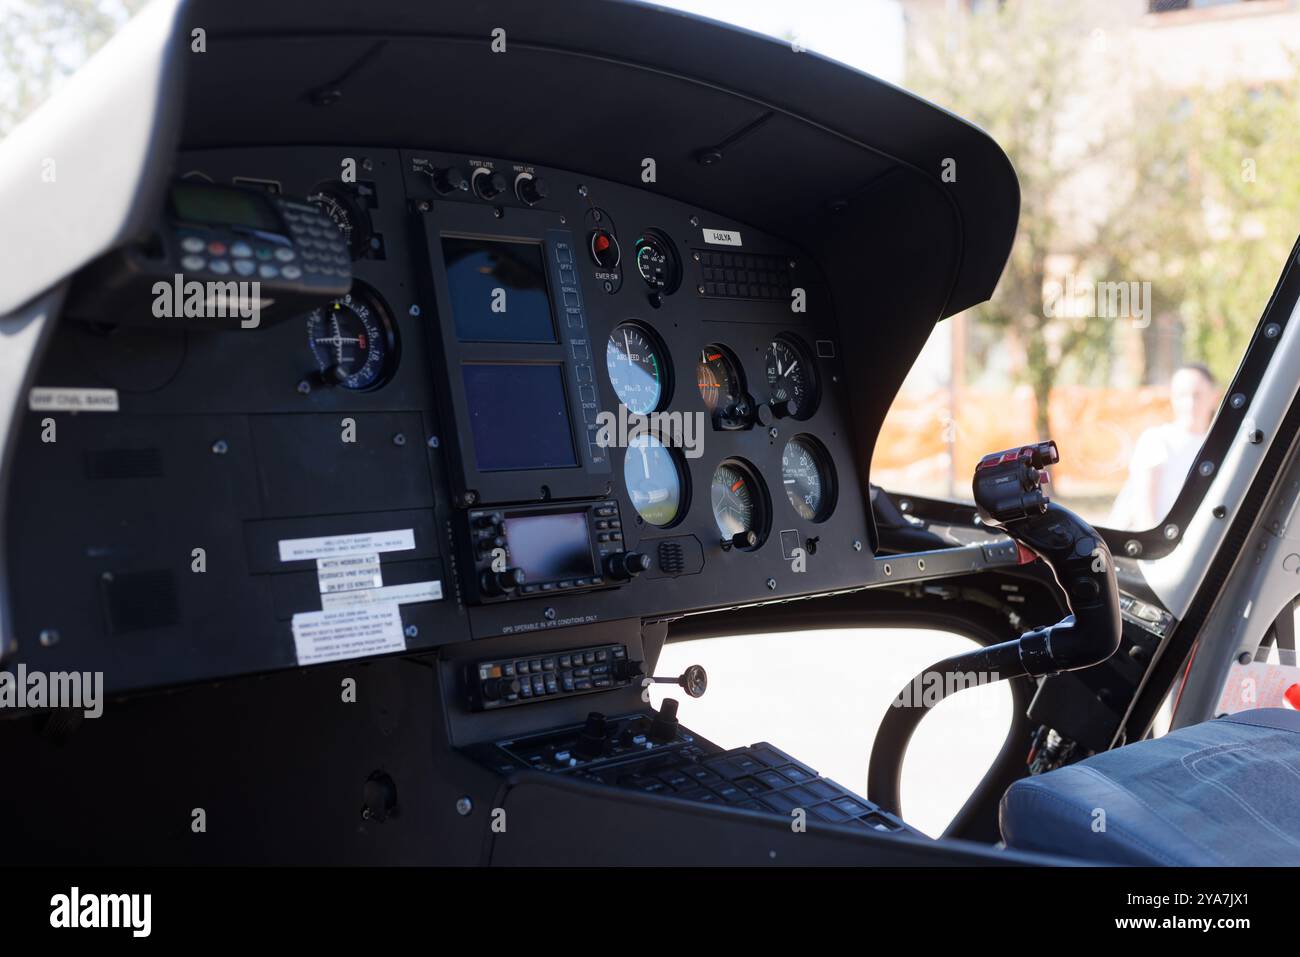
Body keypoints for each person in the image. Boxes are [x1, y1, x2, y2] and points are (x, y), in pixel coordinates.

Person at [1108, 364, 1219, 530]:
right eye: (1182, 395)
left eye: (1197, 395)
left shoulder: (1220, 445)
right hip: (1162, 548)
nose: (1190, 403)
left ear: (1214, 397)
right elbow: (1144, 510)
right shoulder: (1156, 440)